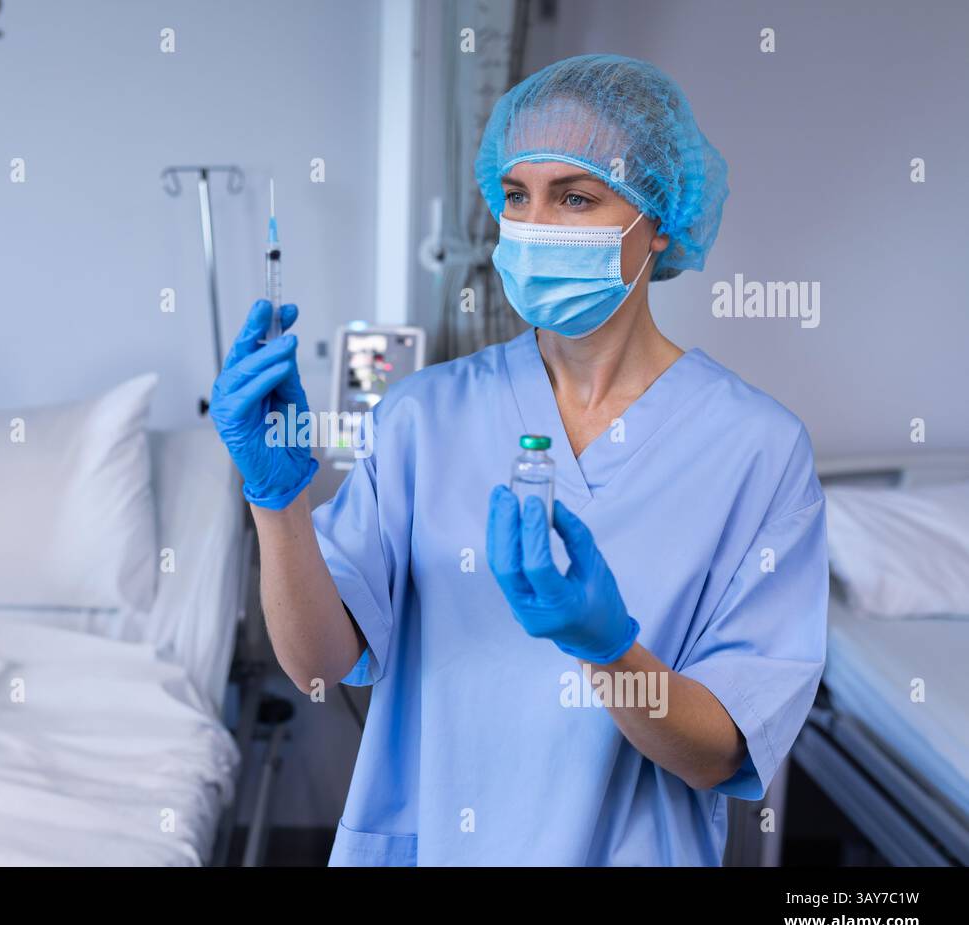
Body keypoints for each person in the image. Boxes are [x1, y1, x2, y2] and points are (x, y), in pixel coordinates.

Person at [210, 54, 827, 865]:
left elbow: (722, 752)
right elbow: (318, 667)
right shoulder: (422, 416)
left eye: (575, 197)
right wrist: (276, 503)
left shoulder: (756, 449)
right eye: (515, 195)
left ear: (661, 219)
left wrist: (610, 651)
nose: (533, 224)